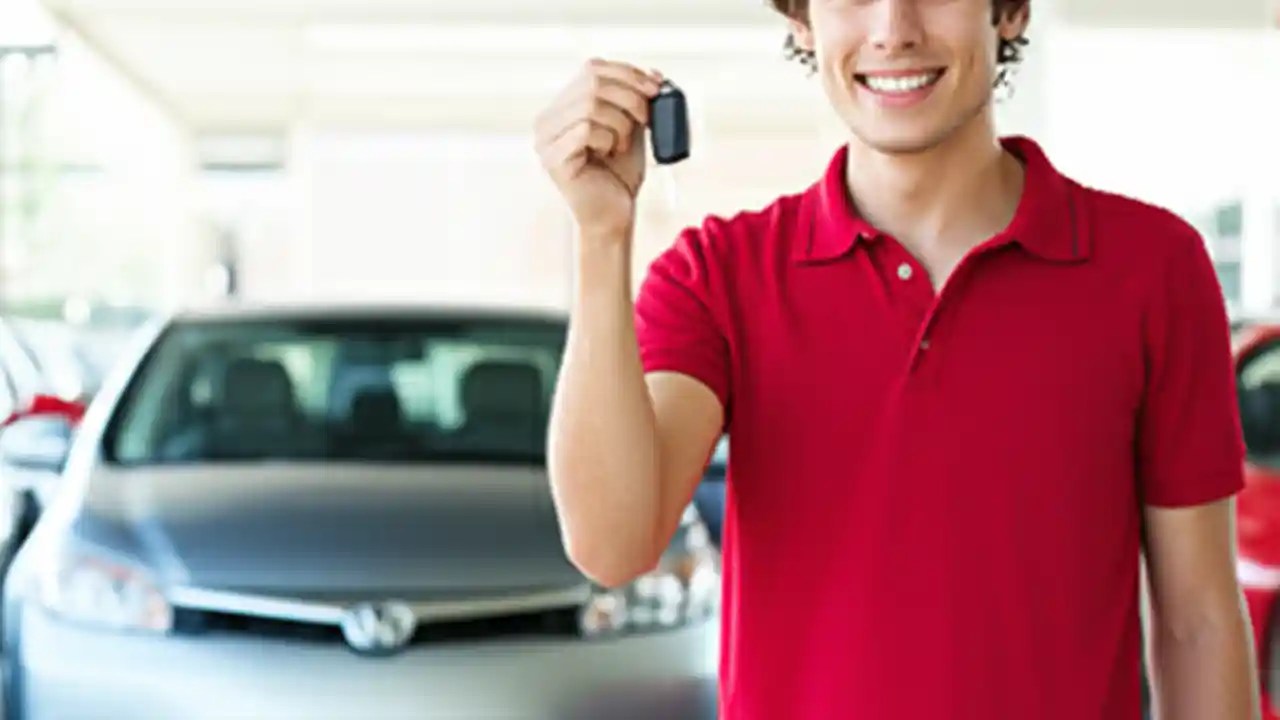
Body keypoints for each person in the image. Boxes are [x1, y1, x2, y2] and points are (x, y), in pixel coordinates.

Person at [534, 0, 1261, 717]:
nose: (894, 29)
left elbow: (1196, 620)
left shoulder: (1153, 269)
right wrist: (601, 237)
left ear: (1007, 12)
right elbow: (611, 545)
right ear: (802, 23)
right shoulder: (717, 277)